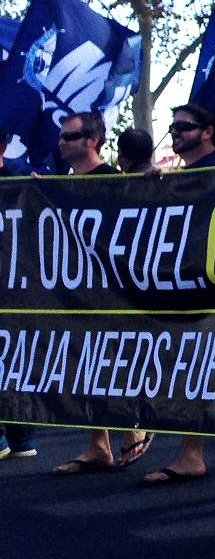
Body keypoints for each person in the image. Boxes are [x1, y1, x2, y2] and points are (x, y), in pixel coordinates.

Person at [32, 113, 145, 473]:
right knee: (84, 364)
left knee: (115, 360)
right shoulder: (60, 184)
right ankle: (99, 445)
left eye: (71, 136)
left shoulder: (115, 181)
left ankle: (134, 429)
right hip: (74, 291)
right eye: (61, 137)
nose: (62, 142)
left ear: (93, 140)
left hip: (113, 290)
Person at [140, 103, 215, 485]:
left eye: (183, 126)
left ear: (207, 131)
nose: (174, 132)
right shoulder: (175, 175)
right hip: (185, 286)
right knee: (194, 367)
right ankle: (191, 454)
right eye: (172, 126)